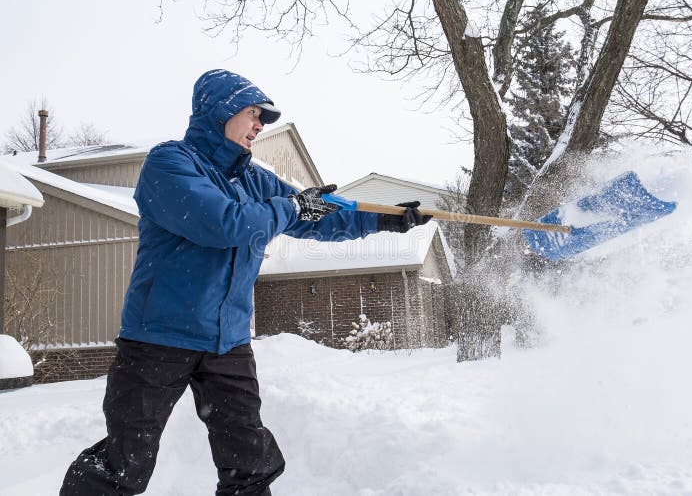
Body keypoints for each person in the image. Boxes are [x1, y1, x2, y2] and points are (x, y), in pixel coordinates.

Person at [60, 69, 431, 496]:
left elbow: (316, 215)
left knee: (249, 460)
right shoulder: (170, 164)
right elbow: (224, 223)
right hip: (159, 335)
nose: (259, 126)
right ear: (220, 110)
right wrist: (292, 207)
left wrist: (383, 218)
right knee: (124, 462)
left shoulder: (254, 180)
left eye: (262, 118)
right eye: (252, 114)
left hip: (227, 341)